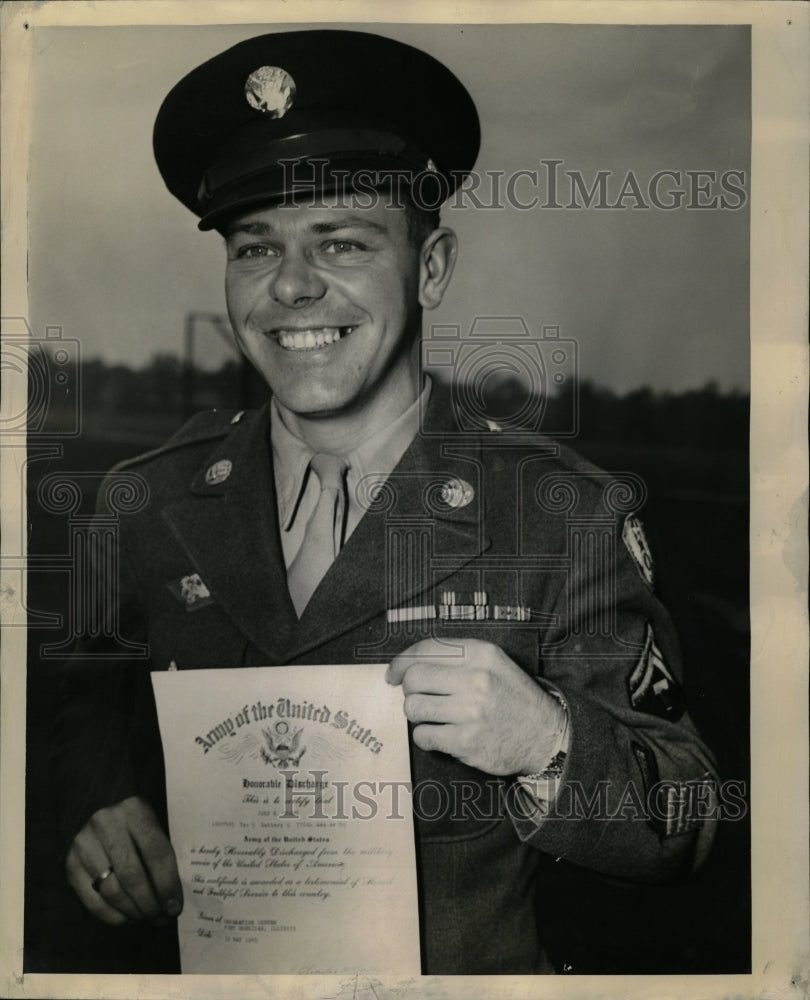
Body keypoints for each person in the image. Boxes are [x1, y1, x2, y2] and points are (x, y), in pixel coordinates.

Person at [53, 28, 718, 975]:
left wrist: (548, 742)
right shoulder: (144, 502)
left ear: (431, 268)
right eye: (255, 248)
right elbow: (81, 704)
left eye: (342, 242)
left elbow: (687, 820)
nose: (290, 286)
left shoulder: (559, 516)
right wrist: (101, 806)